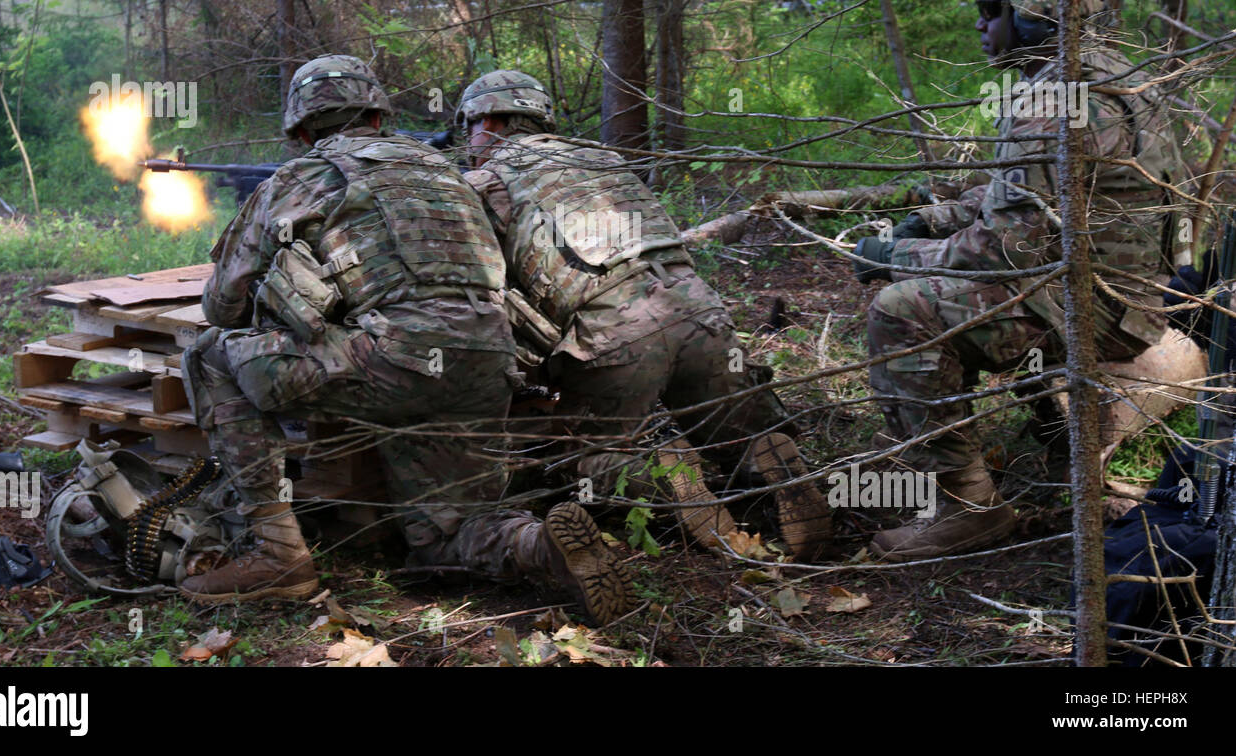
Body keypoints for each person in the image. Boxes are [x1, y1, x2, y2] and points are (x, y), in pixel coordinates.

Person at [179, 55, 632, 625]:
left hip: (392, 359)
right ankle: (541, 547)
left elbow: (222, 304)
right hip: (488, 360)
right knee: (445, 532)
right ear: (377, 116)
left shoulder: (297, 177)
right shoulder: (447, 169)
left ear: (299, 131)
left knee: (209, 354)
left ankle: (276, 552)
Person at [852, 0, 1186, 561]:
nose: (980, 27)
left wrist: (892, 257)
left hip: (1093, 309)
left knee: (904, 309)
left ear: (1032, 14)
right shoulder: (1110, 74)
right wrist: (934, 218)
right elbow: (1033, 200)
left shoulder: (1051, 103)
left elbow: (1003, 250)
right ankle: (1067, 453)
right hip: (1127, 294)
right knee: (948, 287)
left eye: (990, 10)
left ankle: (968, 510)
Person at [459, 70, 833, 559]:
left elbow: (484, 287)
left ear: (488, 121)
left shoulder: (485, 181)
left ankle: (664, 484)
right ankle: (766, 456)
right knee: (731, 426)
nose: (468, 141)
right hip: (700, 312)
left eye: (469, 128)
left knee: (579, 453)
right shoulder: (602, 158)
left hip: (617, 334)